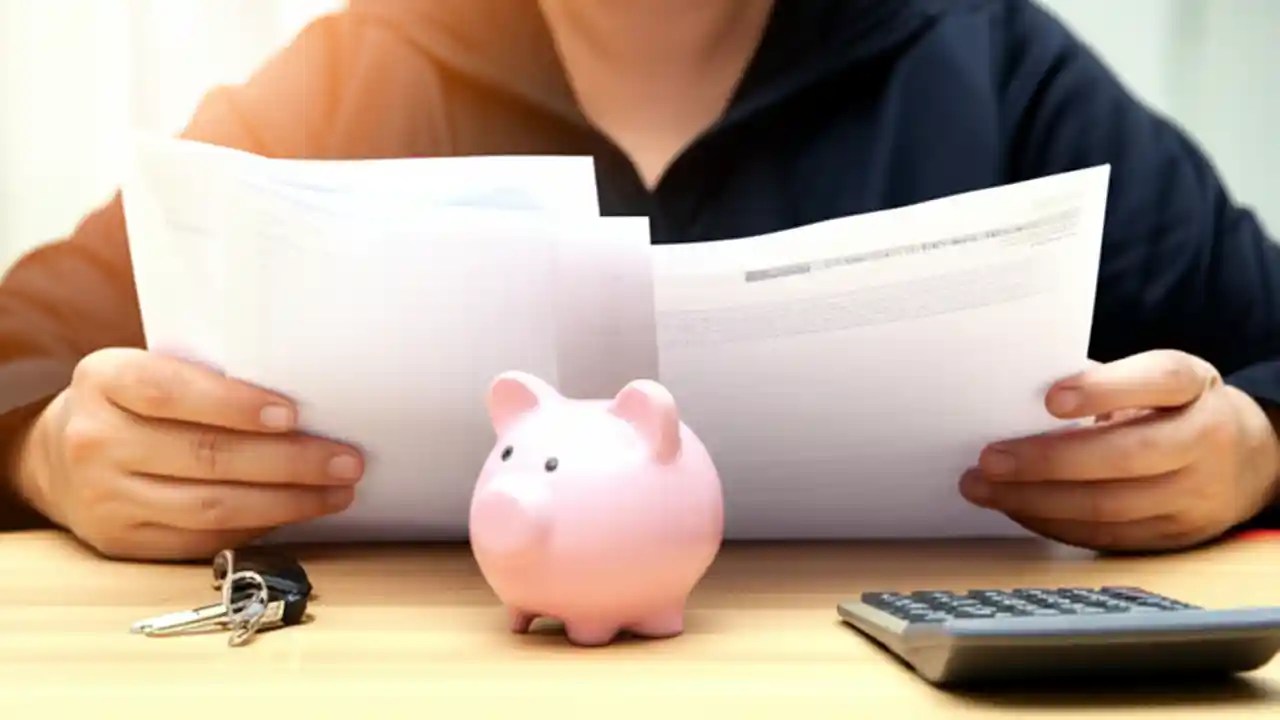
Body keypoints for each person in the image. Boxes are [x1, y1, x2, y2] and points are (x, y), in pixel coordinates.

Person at [1, 0, 1278, 561]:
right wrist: (47, 456)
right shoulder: (340, 77)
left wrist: (1251, 446)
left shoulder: (995, 64)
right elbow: (25, 348)